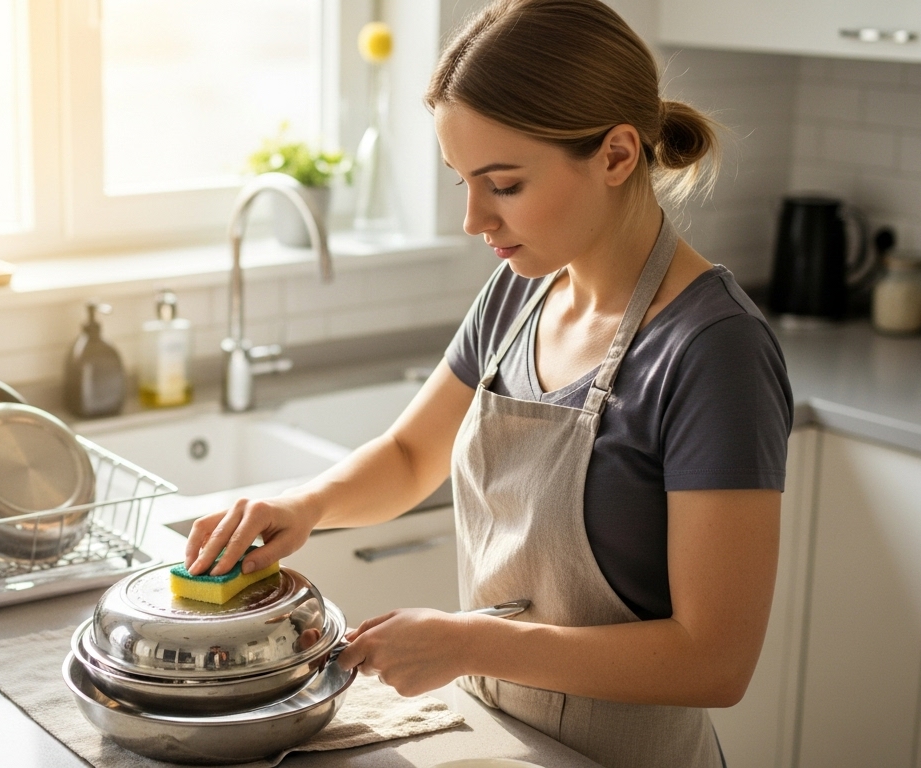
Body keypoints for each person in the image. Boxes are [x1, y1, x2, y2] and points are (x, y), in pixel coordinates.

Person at [185, 1, 792, 765]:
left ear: (616, 155)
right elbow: (411, 455)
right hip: (497, 739)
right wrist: (306, 505)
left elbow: (715, 661)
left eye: (503, 184)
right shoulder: (520, 293)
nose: (475, 218)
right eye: (463, 181)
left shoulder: (714, 351)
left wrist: (472, 642)